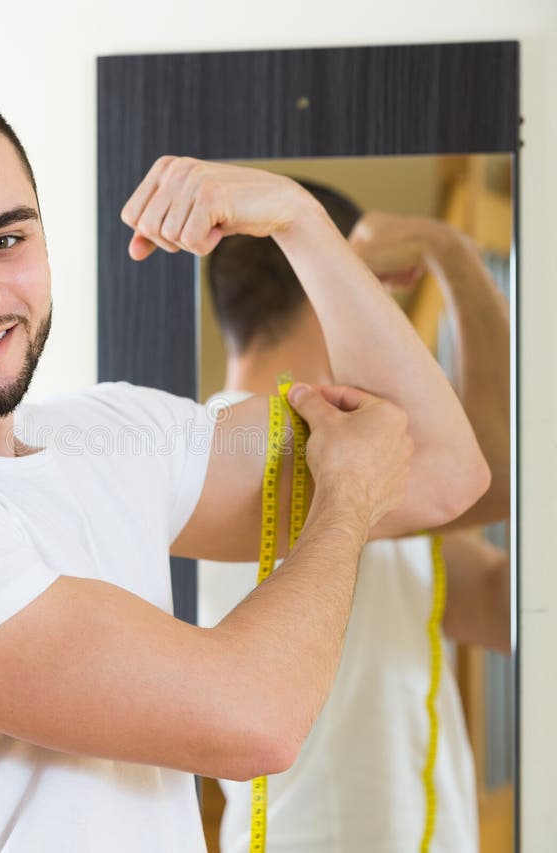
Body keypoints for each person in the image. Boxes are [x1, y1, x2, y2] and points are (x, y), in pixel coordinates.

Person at [0, 69, 489, 853]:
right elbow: (254, 721)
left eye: (5, 239)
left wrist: (298, 219)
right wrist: (345, 503)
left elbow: (440, 468)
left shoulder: (109, 436)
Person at [200, 192, 511, 852]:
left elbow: (495, 607)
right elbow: (495, 470)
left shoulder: (351, 461)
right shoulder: (246, 446)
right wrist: (452, 253)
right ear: (336, 283)